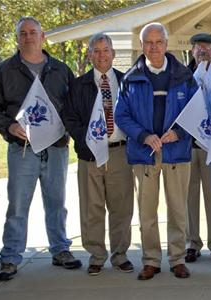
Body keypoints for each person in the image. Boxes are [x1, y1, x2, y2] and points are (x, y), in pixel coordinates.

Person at [0, 17, 81, 281]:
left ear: (43, 37)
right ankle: (10, 257)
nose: (28, 37)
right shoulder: (3, 71)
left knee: (57, 203)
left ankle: (61, 250)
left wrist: (67, 130)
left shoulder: (61, 69)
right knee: (18, 205)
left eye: (33, 32)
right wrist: (9, 127)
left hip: (56, 148)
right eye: (23, 33)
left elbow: (73, 106)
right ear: (18, 38)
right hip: (22, 149)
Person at [114, 22, 198, 280]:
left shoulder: (184, 75)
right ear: (142, 45)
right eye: (148, 43)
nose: (153, 47)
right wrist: (143, 135)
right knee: (147, 211)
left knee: (177, 209)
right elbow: (122, 114)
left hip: (176, 152)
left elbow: (197, 112)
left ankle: (177, 259)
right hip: (145, 153)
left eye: (158, 42)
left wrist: (179, 132)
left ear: (166, 44)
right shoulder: (130, 78)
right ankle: (151, 260)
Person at [63, 33, 134, 276]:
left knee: (121, 208)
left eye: (106, 50)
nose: (102, 55)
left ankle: (121, 255)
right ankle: (96, 255)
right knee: (91, 208)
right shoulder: (78, 84)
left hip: (120, 153)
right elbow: (69, 118)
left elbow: (135, 115)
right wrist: (89, 139)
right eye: (97, 50)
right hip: (89, 154)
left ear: (113, 54)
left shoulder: (127, 82)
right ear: (90, 54)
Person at [184, 33, 211, 263]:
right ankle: (191, 243)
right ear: (192, 51)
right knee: (189, 198)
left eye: (207, 48)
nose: (203, 52)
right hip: (187, 144)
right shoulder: (182, 76)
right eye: (198, 48)